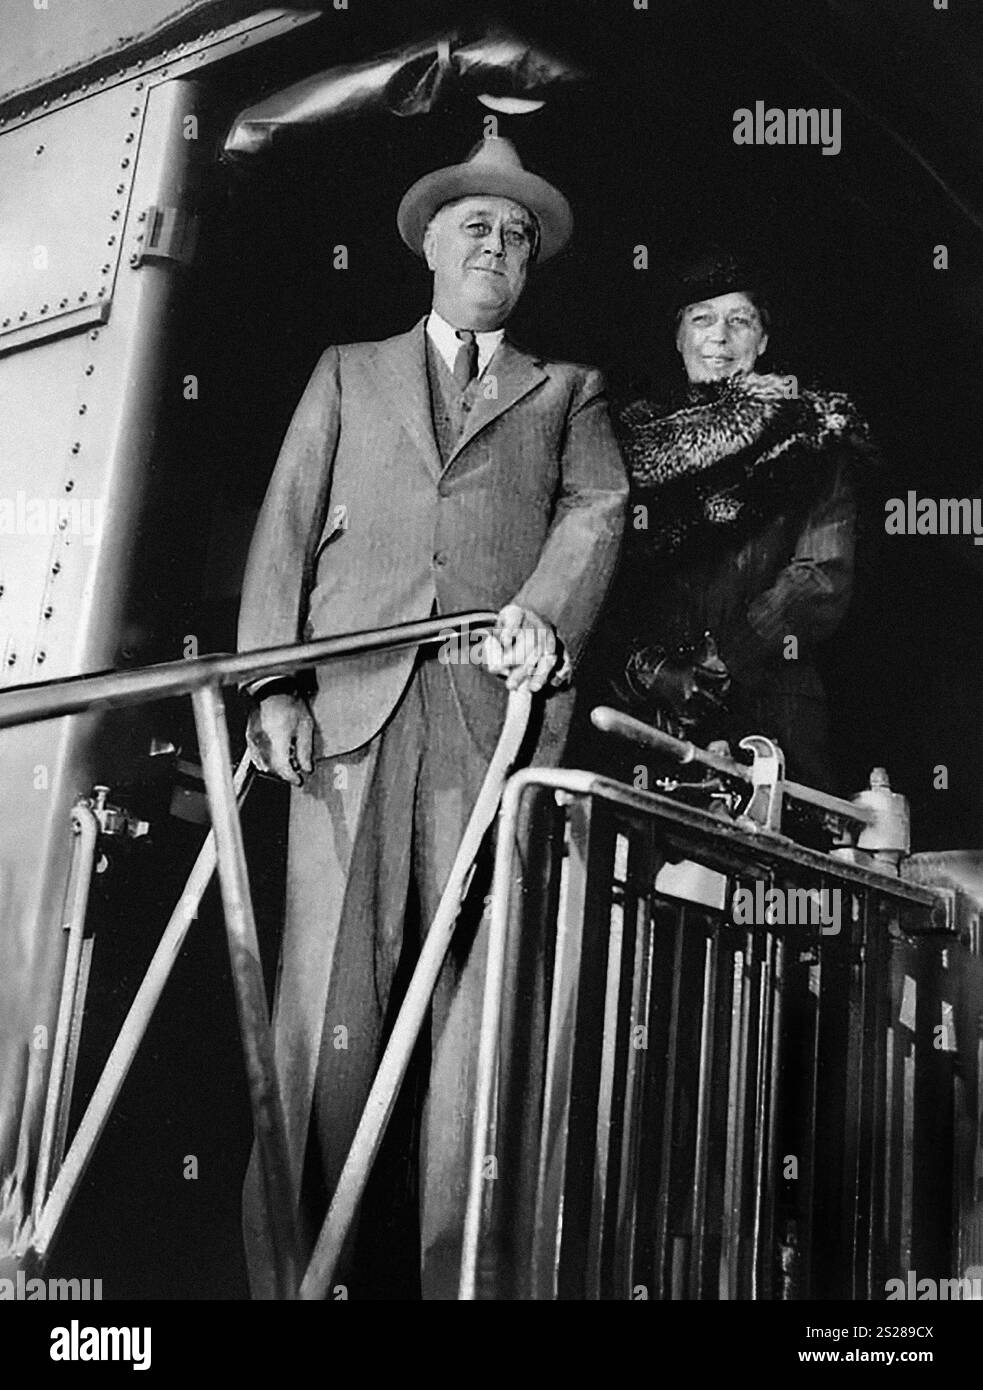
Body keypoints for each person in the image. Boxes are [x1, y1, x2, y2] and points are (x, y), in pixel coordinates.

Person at [236, 136, 628, 1298]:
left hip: (486, 722)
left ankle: (462, 1280)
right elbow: (285, 528)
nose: (497, 247)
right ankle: (294, 1278)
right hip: (346, 720)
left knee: (474, 1016)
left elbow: (595, 513)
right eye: (477, 229)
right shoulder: (346, 372)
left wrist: (544, 619)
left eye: (517, 237)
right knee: (321, 1014)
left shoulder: (567, 392)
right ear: (429, 248)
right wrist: (271, 683)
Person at [585, 250, 876, 792]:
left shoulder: (811, 436)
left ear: (762, 341)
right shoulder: (620, 444)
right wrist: (650, 671)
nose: (719, 337)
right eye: (702, 319)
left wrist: (722, 661)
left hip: (773, 715)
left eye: (740, 321)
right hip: (643, 717)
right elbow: (595, 583)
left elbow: (821, 577)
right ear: (678, 338)